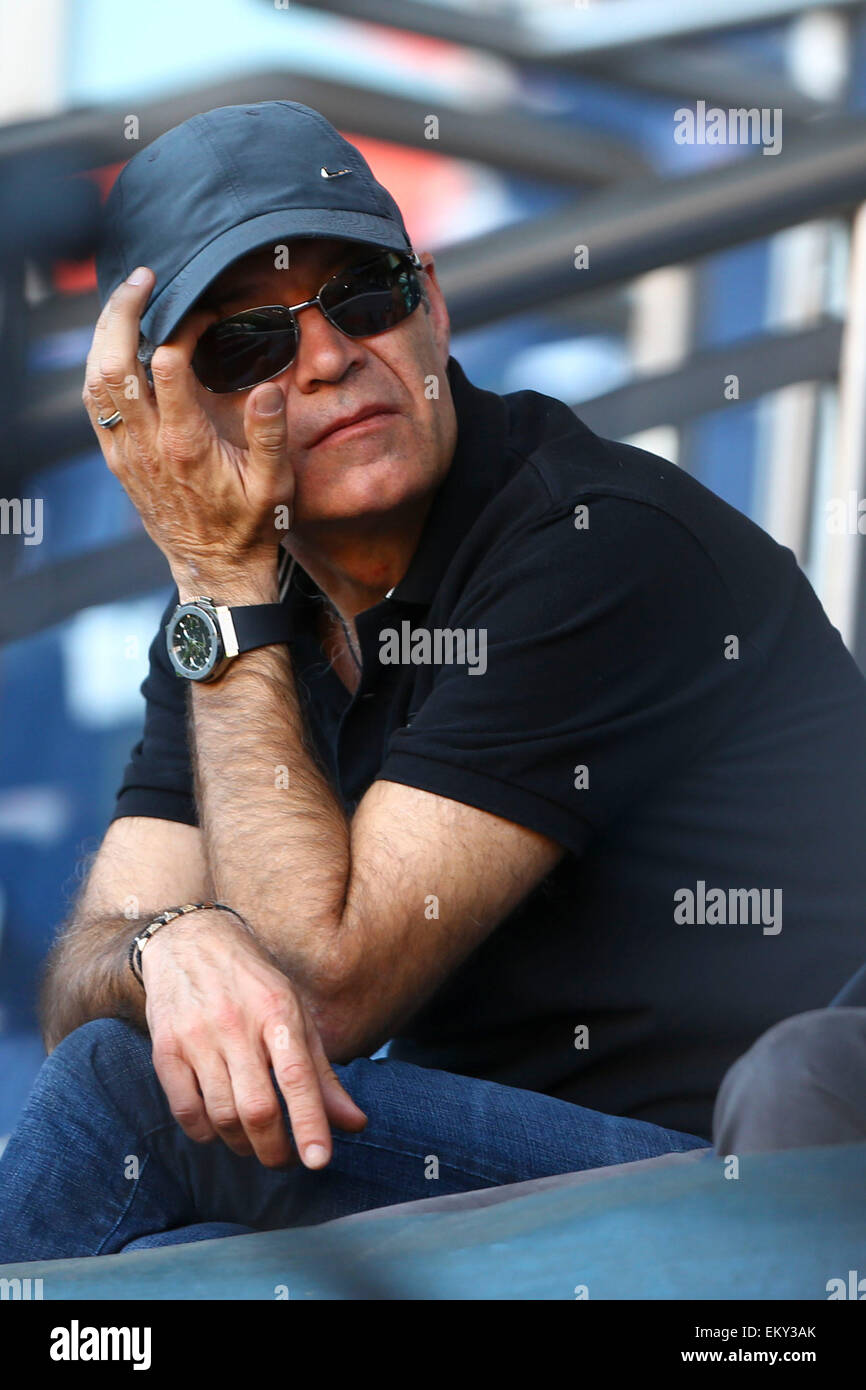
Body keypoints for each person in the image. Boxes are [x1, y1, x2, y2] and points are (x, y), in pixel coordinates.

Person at [2, 101, 866, 1262]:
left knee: (135, 1102)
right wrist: (165, 940)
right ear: (168, 415)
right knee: (159, 1214)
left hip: (728, 1206)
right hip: (491, 1201)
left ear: (432, 303)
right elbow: (82, 977)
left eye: (362, 294)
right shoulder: (241, 611)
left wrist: (212, 575)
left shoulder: (596, 540)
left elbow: (318, 989)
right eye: (245, 344)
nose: (325, 356)